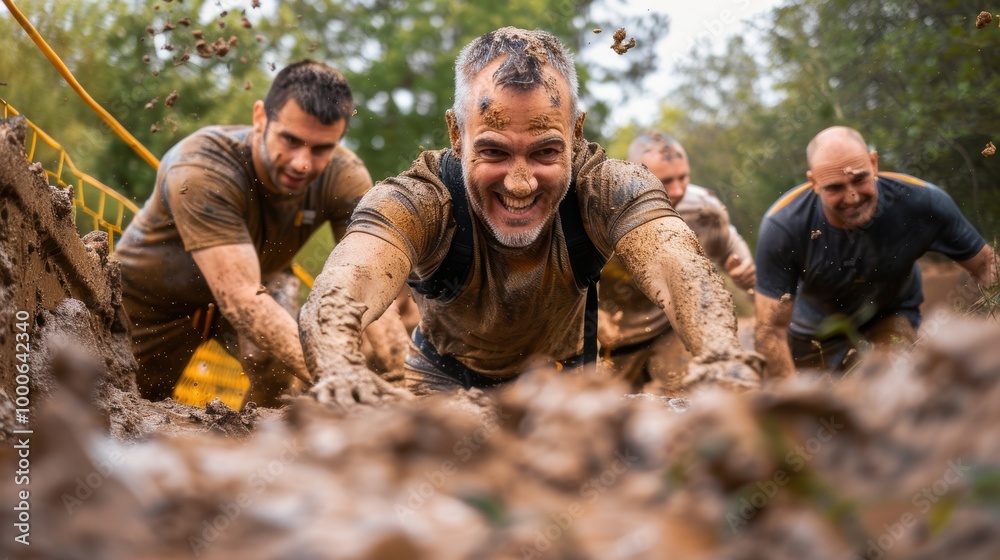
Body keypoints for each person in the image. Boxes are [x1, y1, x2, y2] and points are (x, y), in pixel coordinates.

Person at [299, 27, 762, 407]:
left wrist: (722, 356)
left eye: (545, 152)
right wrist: (340, 366)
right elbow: (345, 283)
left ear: (575, 133)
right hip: (442, 386)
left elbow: (681, 268)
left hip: (565, 386)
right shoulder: (420, 198)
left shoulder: (607, 188)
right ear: (457, 134)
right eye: (494, 152)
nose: (520, 184)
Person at [116, 60, 407, 407]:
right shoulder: (202, 167)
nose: (302, 162)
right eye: (291, 139)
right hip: (152, 303)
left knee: (279, 375)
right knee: (126, 401)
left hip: (261, 282)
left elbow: (371, 279)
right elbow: (241, 298)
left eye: (321, 149)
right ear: (259, 118)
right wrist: (340, 376)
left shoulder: (343, 175)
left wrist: (403, 378)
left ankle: (263, 449)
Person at [754, 126, 997, 379]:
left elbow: (988, 265)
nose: (852, 196)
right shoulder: (783, 226)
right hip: (814, 331)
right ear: (814, 182)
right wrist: (793, 400)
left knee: (888, 386)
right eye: (835, 187)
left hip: (890, 314)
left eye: (859, 179)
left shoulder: (922, 202)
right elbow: (769, 330)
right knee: (818, 406)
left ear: (873, 163)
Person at [598, 132, 755, 392]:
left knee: (686, 395)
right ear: (635, 176)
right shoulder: (604, 212)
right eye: (666, 181)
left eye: (683, 177)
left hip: (670, 329)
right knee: (609, 414)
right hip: (612, 338)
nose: (678, 190)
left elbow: (730, 240)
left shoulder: (703, 207)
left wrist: (742, 265)